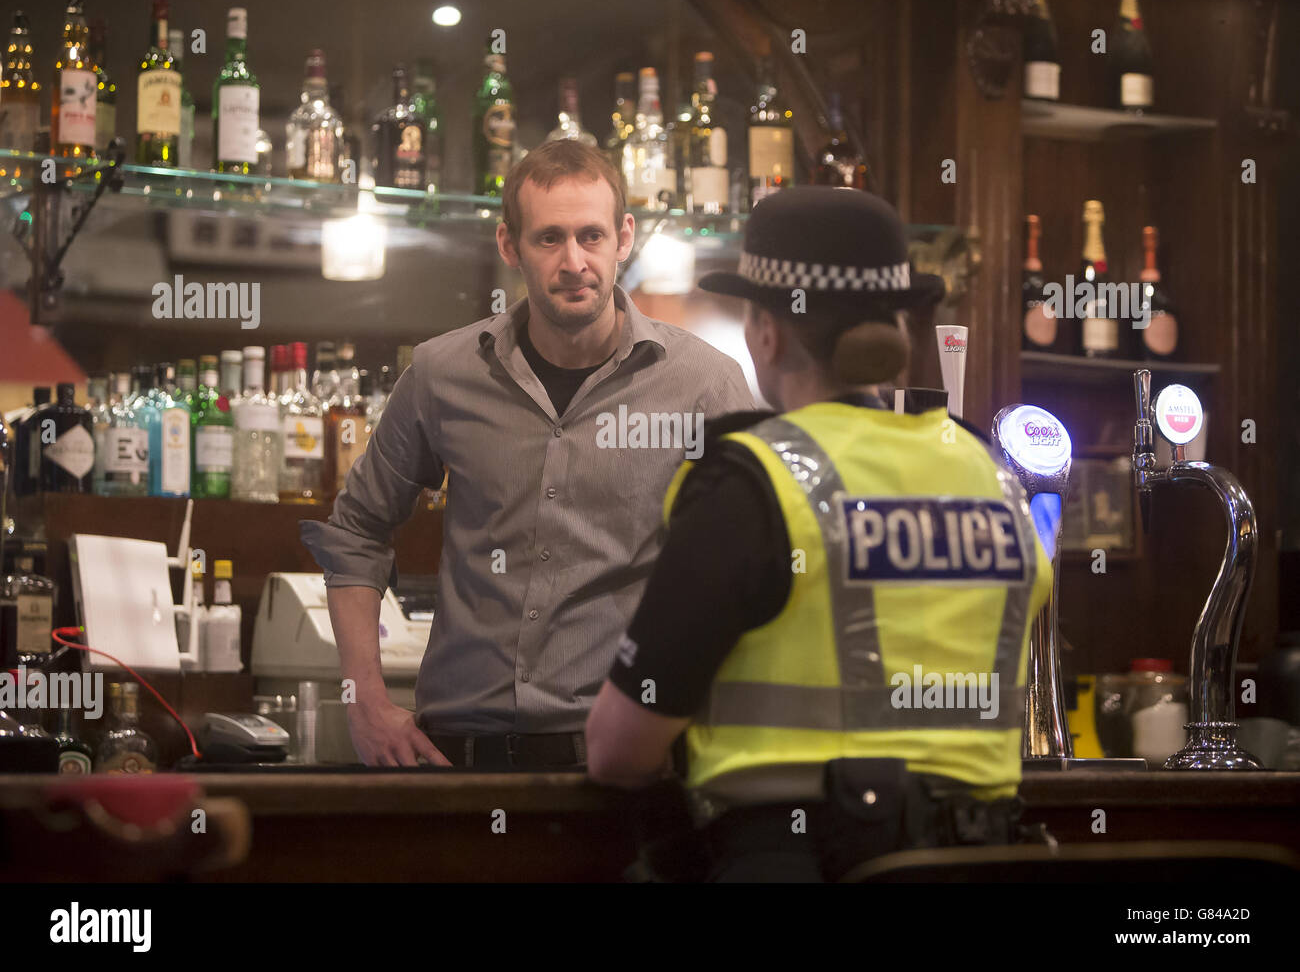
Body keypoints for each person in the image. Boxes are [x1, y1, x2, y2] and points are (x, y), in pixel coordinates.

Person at [585, 187, 1053, 881]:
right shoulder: (997, 475)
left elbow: (618, 751)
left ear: (768, 332)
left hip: (798, 862)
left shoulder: (752, 484)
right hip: (982, 862)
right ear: (898, 324)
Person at [300, 139, 753, 769]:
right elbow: (355, 530)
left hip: (622, 767)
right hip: (457, 760)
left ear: (624, 238)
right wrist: (365, 700)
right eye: (549, 239)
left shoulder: (704, 383)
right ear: (510, 246)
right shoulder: (443, 373)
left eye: (591, 236)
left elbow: (747, 564)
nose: (575, 262)